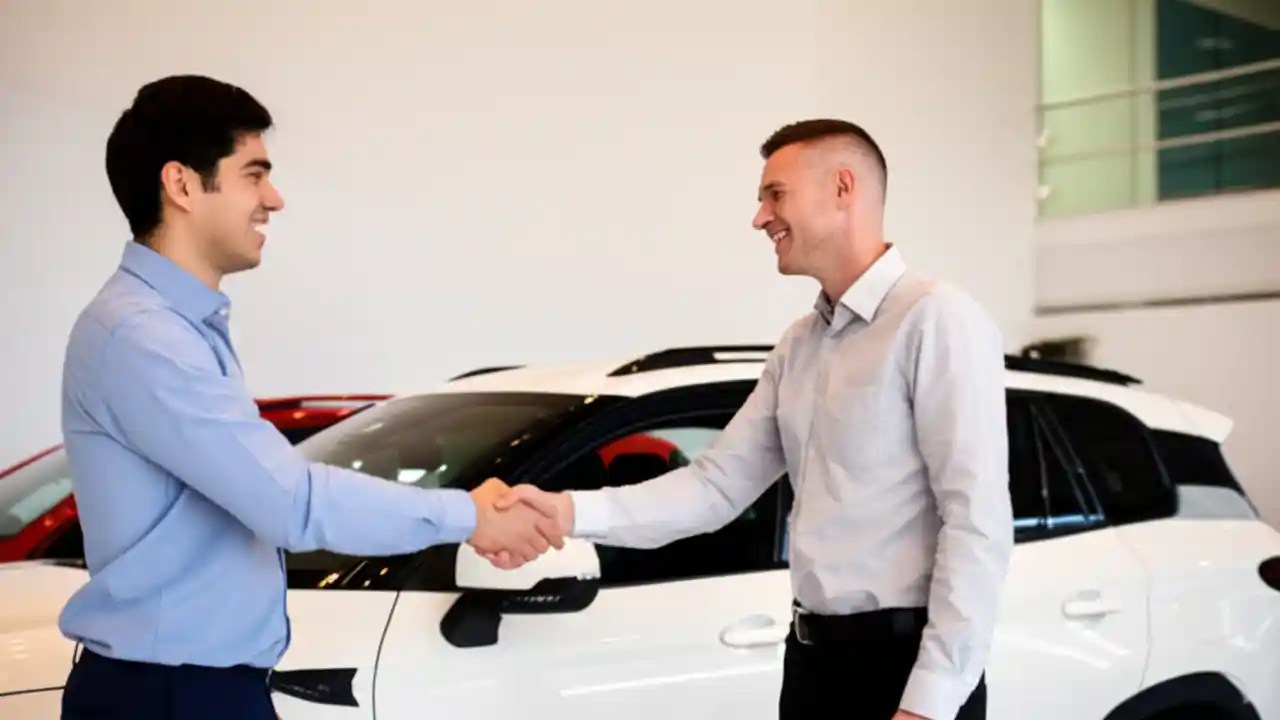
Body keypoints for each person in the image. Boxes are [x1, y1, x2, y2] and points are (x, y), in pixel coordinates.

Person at [57, 75, 561, 720]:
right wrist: (469, 514)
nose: (274, 199)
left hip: (188, 689)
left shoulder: (173, 326)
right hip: (169, 696)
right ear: (181, 184)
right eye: (253, 174)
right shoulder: (143, 335)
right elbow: (290, 504)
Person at [491, 119, 1013, 720]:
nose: (760, 218)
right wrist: (565, 513)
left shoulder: (936, 318)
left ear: (842, 187)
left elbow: (976, 518)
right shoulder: (800, 344)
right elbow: (714, 487)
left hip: (905, 667)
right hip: (814, 664)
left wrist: (931, 700)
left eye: (775, 195)